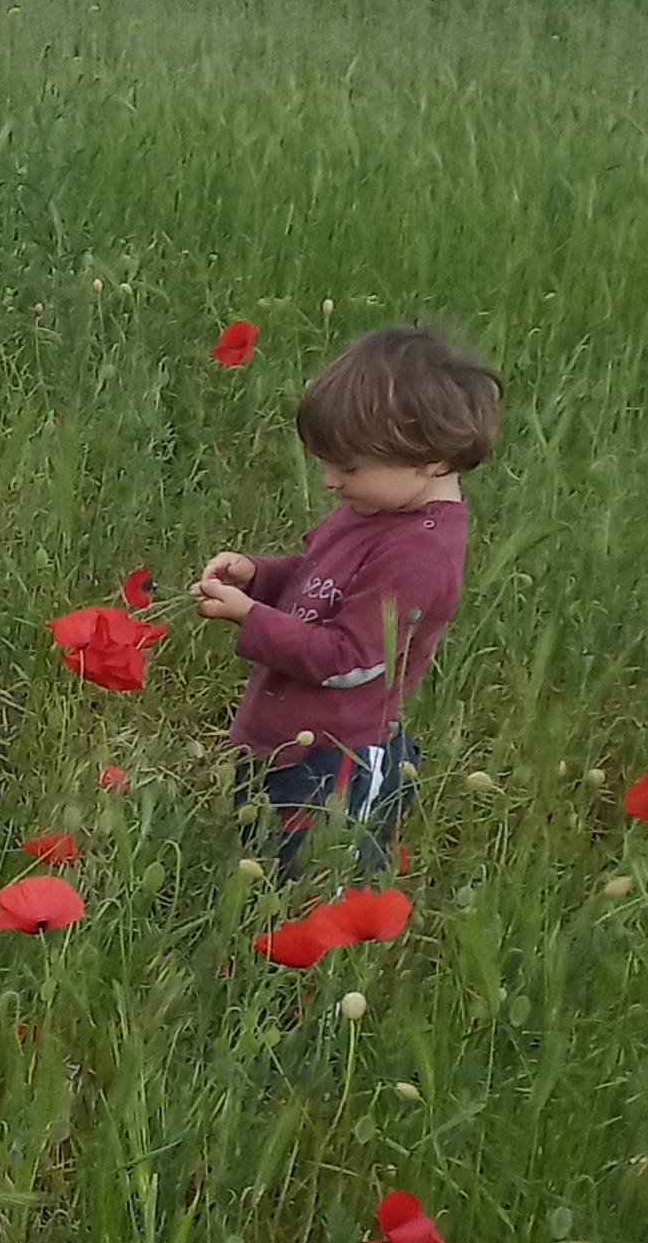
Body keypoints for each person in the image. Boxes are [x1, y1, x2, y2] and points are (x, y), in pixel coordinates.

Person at [193, 324, 497, 878]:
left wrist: (250, 617)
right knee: (261, 866)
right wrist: (257, 576)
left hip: (336, 759)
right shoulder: (375, 509)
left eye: (349, 466)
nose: (331, 481)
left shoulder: (419, 554)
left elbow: (348, 658)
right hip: (287, 737)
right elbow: (319, 579)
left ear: (431, 459)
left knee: (315, 883)